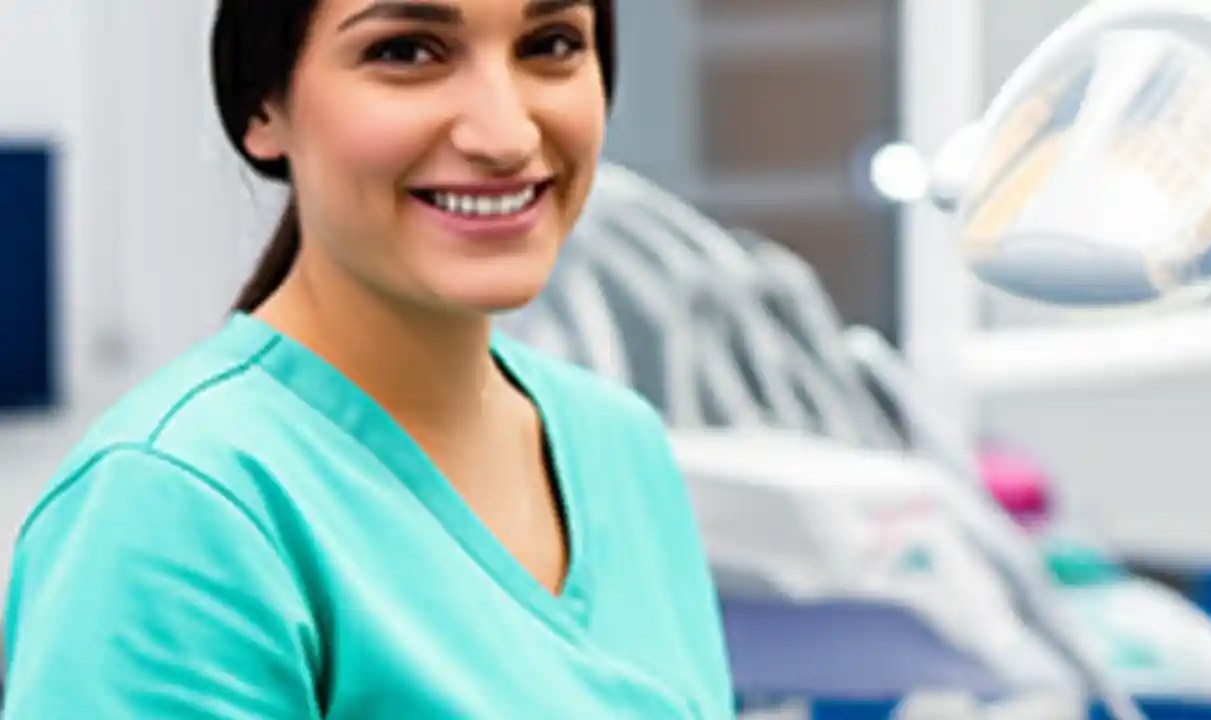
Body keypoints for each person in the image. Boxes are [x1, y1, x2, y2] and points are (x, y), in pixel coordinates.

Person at [1, 1, 735, 717]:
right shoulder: (175, 506)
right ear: (262, 105)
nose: (505, 134)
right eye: (406, 51)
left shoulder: (620, 443)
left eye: (550, 44)